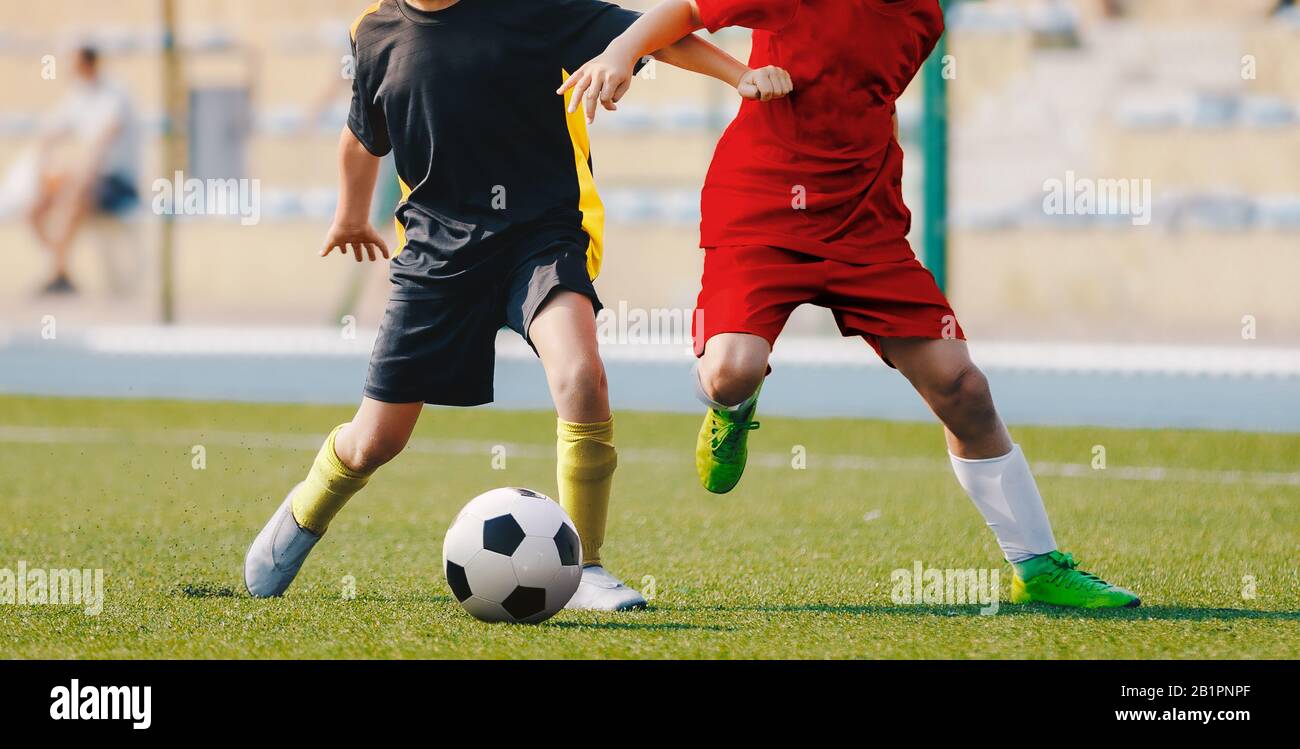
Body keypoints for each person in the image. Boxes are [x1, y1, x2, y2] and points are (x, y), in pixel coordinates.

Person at [561, 0, 1140, 608]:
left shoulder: (924, 16)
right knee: (731, 372)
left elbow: (866, 99)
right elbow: (683, 11)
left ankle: (1037, 565)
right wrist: (621, 53)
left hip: (864, 222)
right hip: (762, 210)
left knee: (962, 387)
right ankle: (734, 408)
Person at [244, 0, 791, 611]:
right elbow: (361, 136)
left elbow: (650, 38)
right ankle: (303, 517)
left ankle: (584, 567)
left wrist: (738, 75)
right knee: (376, 440)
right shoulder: (374, 32)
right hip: (436, 255)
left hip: (541, 237)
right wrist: (349, 215)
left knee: (581, 376)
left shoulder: (533, 8)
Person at [27, 46, 140, 295]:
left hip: (118, 182)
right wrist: (42, 166)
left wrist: (77, 175)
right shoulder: (78, 96)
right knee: (36, 207)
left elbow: (103, 142)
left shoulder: (116, 94)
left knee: (76, 192)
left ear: (87, 65)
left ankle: (58, 271)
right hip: (88, 180)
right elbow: (50, 132)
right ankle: (60, 266)